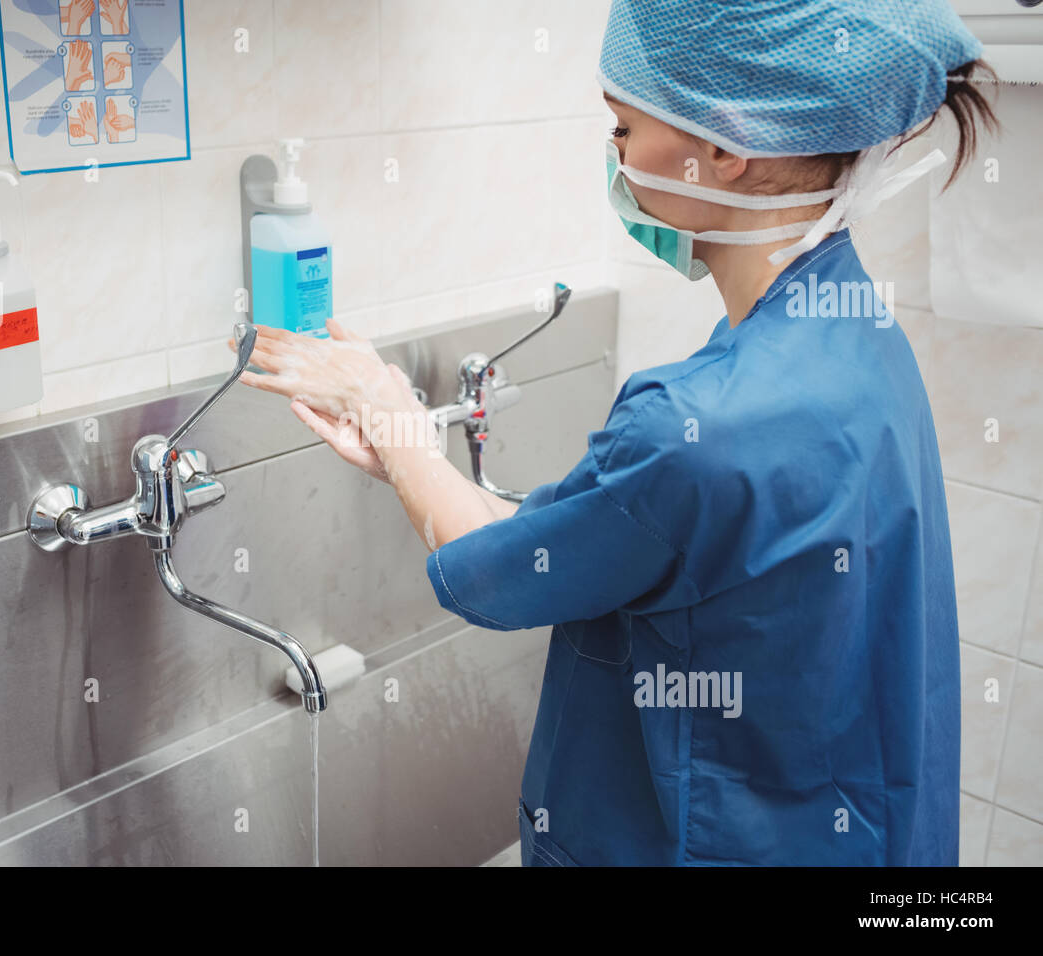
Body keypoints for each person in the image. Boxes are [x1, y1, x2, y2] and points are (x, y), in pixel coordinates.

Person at [235, 0, 998, 866]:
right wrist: (407, 454)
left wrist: (387, 407)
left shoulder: (699, 423)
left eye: (624, 125)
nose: (617, 155)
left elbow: (502, 577)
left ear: (724, 150)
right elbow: (598, 535)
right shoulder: (858, 335)